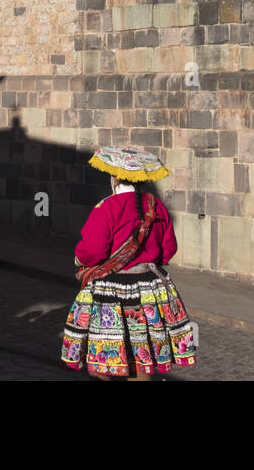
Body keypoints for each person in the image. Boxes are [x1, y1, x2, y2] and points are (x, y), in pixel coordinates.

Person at [61, 145, 197, 380]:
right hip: (148, 289)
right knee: (141, 357)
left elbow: (91, 251)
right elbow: (168, 250)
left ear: (115, 177)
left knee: (102, 355)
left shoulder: (106, 208)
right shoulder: (156, 206)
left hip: (110, 289)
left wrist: (81, 259)